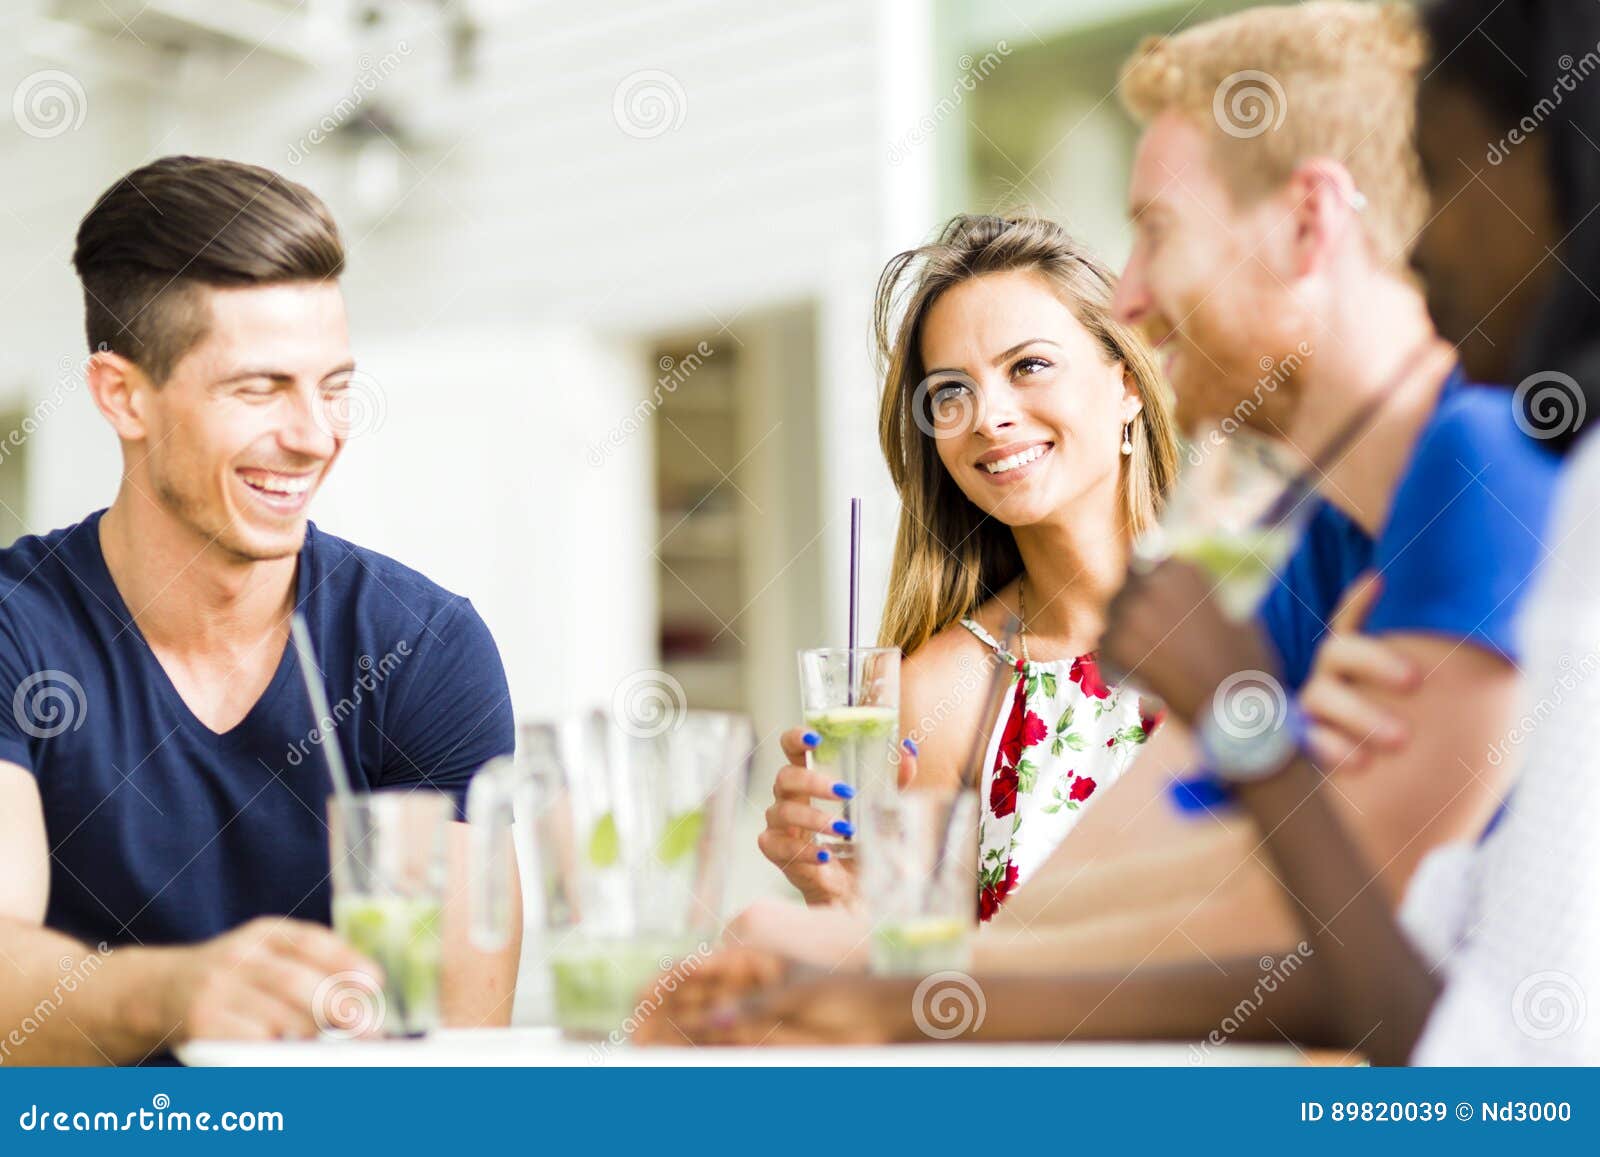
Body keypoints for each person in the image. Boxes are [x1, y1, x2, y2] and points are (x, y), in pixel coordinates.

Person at [637, 1, 1569, 1051]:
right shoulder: (1319, 543)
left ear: (1309, 223)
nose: (1127, 297)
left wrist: (885, 982)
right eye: (951, 391)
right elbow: (1132, 879)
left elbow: (1339, 940)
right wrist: (871, 958)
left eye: (1156, 231)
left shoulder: (1490, 457)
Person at [0, 156, 519, 1066]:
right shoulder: (17, 628)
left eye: (334, 386)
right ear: (123, 395)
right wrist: (179, 995)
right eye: (259, 388)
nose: (316, 436)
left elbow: (457, 1056)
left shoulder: (421, 648)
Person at [754, 213, 1179, 924]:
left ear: (1128, 383)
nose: (987, 416)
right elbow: (928, 981)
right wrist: (850, 903)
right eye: (951, 392)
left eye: (1029, 366)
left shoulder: (1271, 613)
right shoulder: (935, 698)